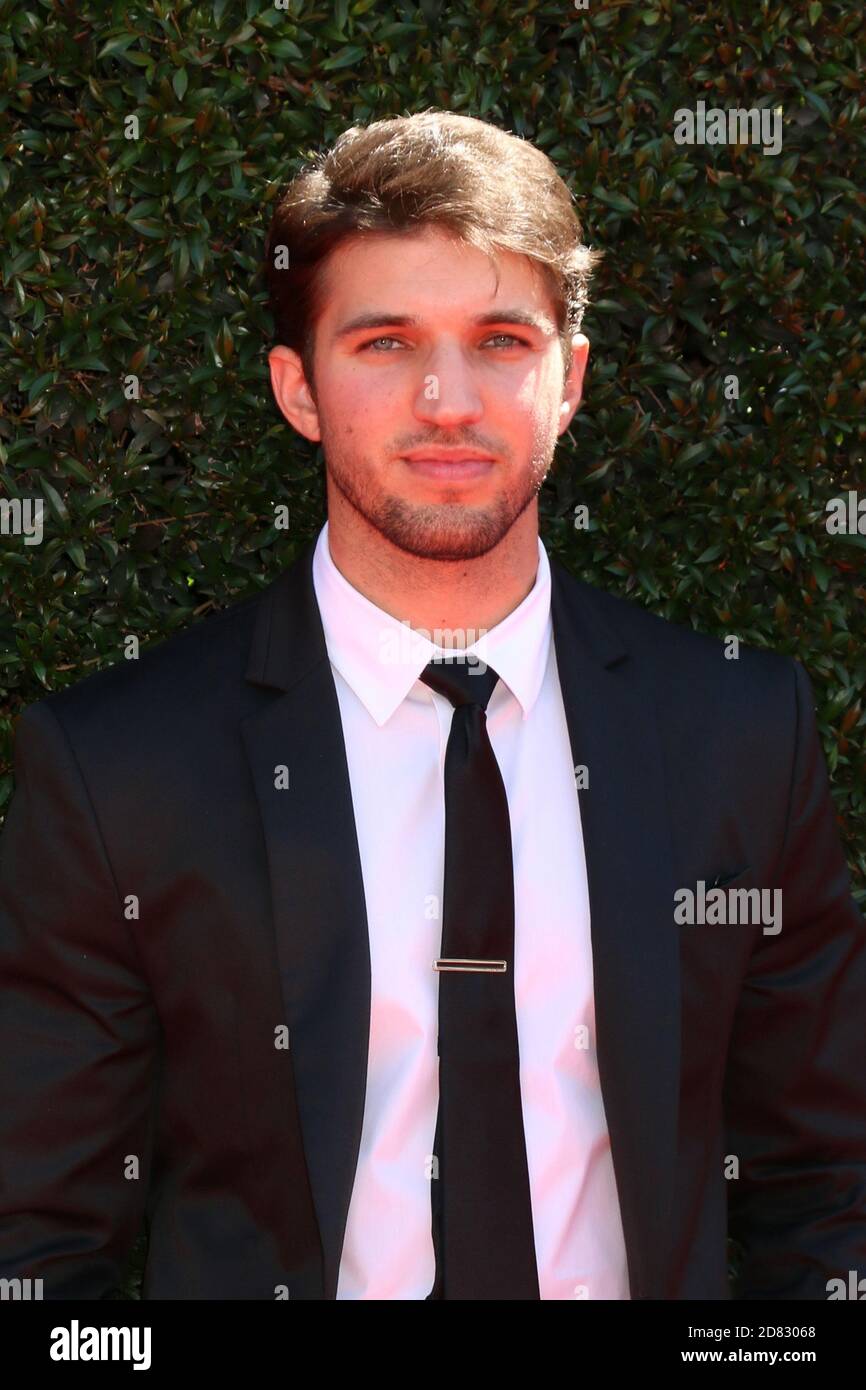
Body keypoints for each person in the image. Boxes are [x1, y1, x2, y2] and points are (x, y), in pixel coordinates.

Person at [1, 110, 864, 1301]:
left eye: (500, 338)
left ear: (567, 380)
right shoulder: (119, 766)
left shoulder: (736, 732)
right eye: (386, 342)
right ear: (297, 389)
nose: (447, 398)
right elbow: (39, 1239)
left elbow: (824, 1180)